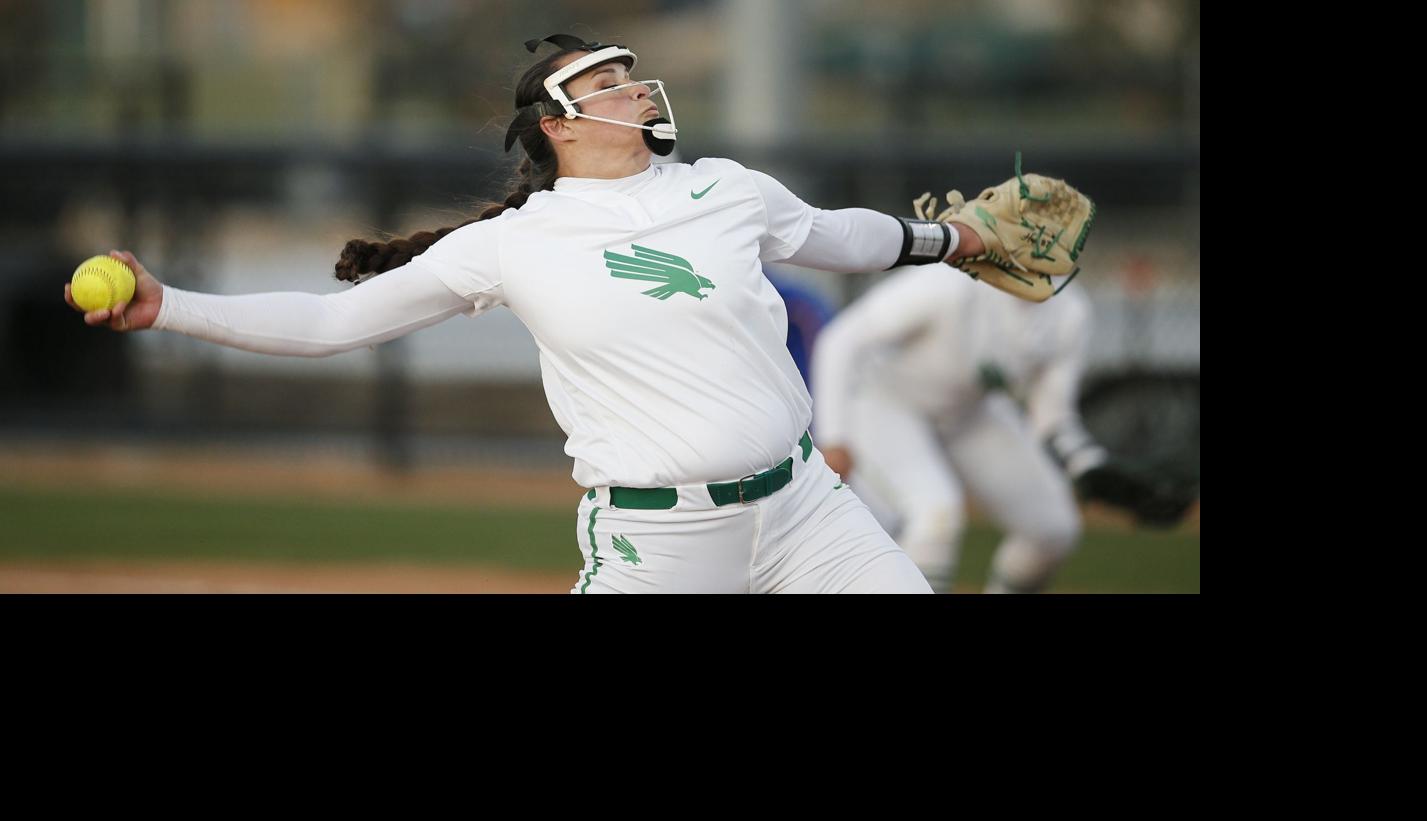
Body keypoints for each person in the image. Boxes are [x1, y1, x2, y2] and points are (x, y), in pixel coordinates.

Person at [64, 32, 1005, 594]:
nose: (637, 87)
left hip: (808, 509)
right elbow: (327, 325)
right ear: (557, 125)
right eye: (608, 84)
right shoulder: (515, 243)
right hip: (658, 541)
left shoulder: (726, 187)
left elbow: (839, 237)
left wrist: (956, 240)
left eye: (632, 74)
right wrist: (167, 306)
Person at [810, 264, 1111, 594]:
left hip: (969, 412)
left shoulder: (1069, 309)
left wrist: (1089, 463)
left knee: (1054, 530)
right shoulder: (953, 280)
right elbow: (839, 340)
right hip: (889, 401)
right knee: (935, 515)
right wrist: (834, 438)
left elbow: (1051, 416)